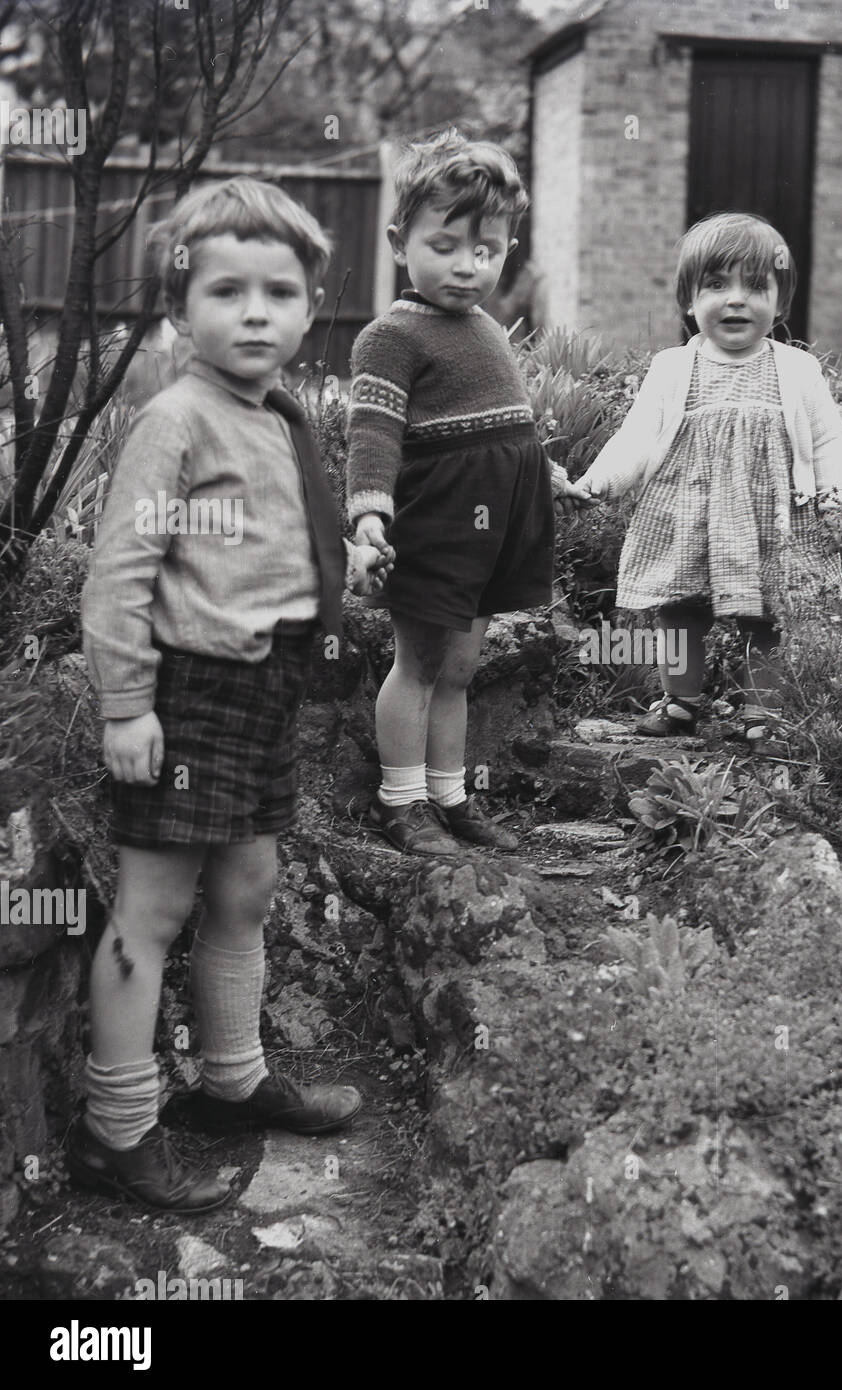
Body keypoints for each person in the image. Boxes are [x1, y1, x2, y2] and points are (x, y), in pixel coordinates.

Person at [73, 177, 381, 1213]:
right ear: (179, 309)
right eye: (227, 290)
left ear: (309, 307)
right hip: (191, 688)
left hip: (266, 687)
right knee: (153, 908)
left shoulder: (276, 414)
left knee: (245, 887)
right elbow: (119, 570)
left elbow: (277, 540)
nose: (256, 312)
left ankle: (232, 1078)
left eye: (279, 292)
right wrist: (127, 706)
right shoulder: (178, 418)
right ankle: (116, 1130)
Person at [346, 129, 589, 855]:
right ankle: (402, 801)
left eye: (485, 251)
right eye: (445, 246)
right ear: (399, 243)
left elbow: (501, 424)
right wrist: (367, 515)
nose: (466, 266)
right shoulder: (389, 338)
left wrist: (542, 474)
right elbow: (373, 435)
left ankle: (450, 797)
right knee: (417, 665)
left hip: (495, 524)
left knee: (458, 670)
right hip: (437, 523)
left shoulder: (485, 327)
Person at [574, 212, 842, 743]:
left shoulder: (797, 371)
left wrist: (839, 500)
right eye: (717, 285)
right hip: (689, 511)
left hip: (771, 518)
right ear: (688, 299)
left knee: (768, 613)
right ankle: (680, 701)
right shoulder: (672, 368)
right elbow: (636, 437)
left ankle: (762, 713)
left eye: (756, 287)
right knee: (681, 609)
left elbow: (826, 441)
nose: (736, 299)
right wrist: (598, 482)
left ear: (781, 302)